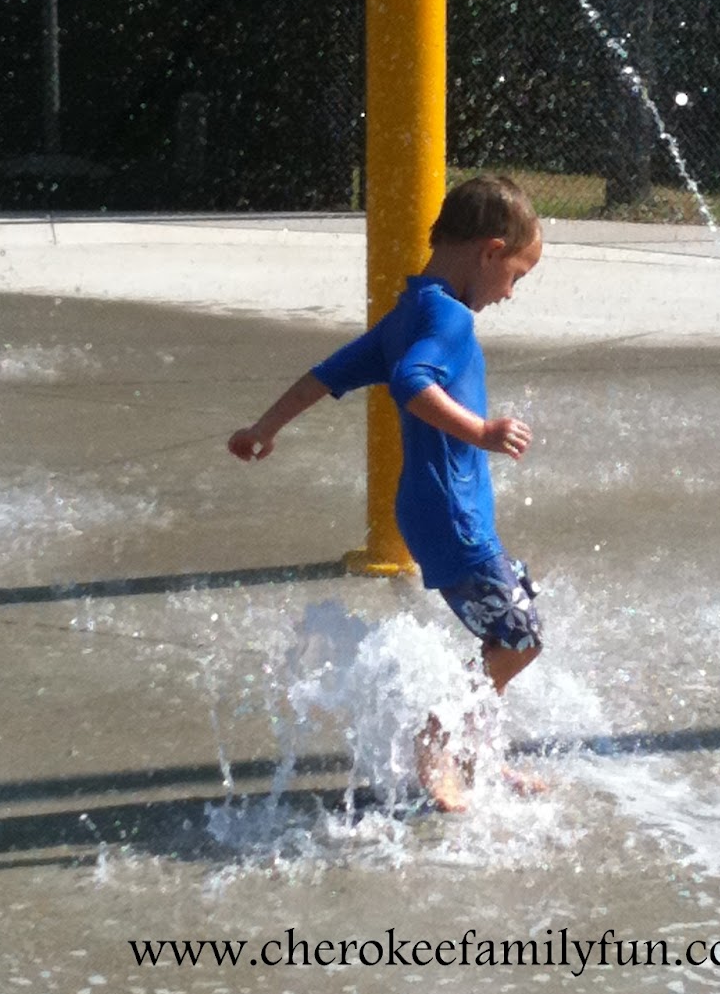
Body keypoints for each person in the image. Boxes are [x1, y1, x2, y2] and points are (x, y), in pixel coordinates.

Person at [227, 173, 544, 811]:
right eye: (515, 274)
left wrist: (266, 426)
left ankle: (477, 753)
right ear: (488, 250)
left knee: (511, 625)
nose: (509, 293)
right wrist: (481, 429)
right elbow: (410, 382)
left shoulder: (410, 311)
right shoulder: (448, 319)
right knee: (518, 640)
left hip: (437, 511)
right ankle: (438, 739)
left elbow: (326, 375)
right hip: (453, 518)